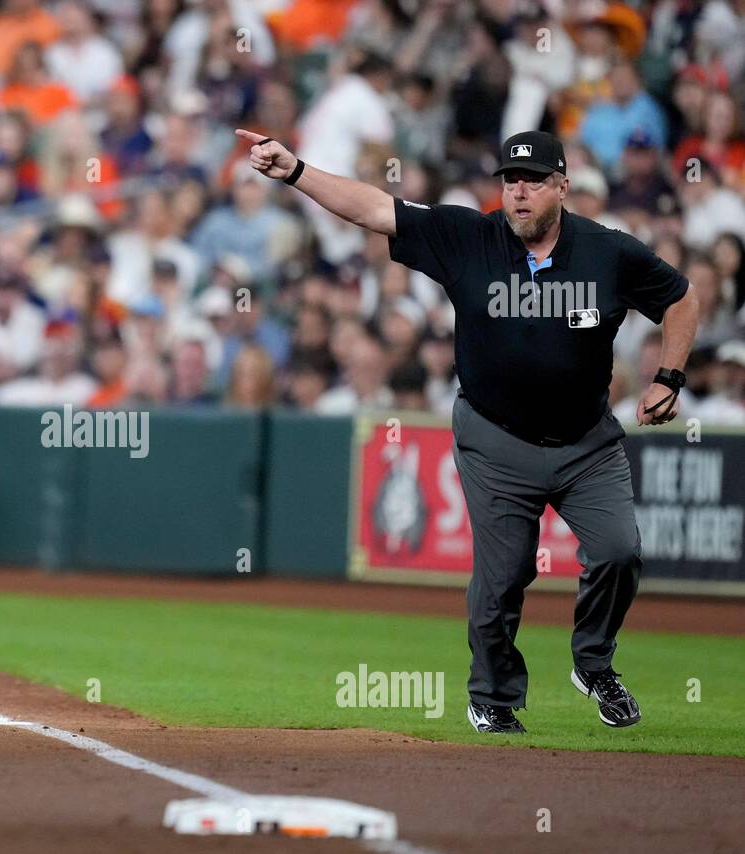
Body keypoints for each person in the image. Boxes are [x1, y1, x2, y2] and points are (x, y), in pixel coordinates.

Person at [236, 127, 699, 733]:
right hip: (495, 438)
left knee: (618, 552)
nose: (520, 192)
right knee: (503, 577)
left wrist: (670, 375)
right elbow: (376, 208)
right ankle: (494, 696)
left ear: (562, 185)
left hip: (587, 441)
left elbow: (681, 300)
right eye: (510, 180)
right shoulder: (467, 238)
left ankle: (593, 663)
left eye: (533, 180)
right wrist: (296, 170)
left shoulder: (608, 252)